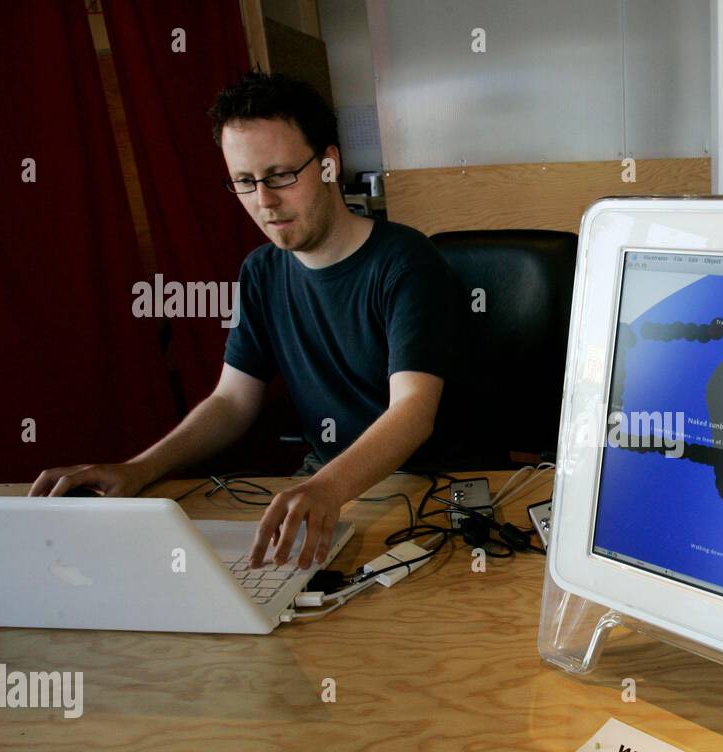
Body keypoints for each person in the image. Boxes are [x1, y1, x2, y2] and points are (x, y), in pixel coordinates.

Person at [29, 71, 463, 571]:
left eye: (280, 175)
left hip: (424, 488)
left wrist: (326, 487)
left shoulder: (408, 262)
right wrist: (140, 468)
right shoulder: (259, 272)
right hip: (320, 488)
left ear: (328, 165)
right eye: (244, 181)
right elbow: (232, 400)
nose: (264, 200)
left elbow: (412, 410)